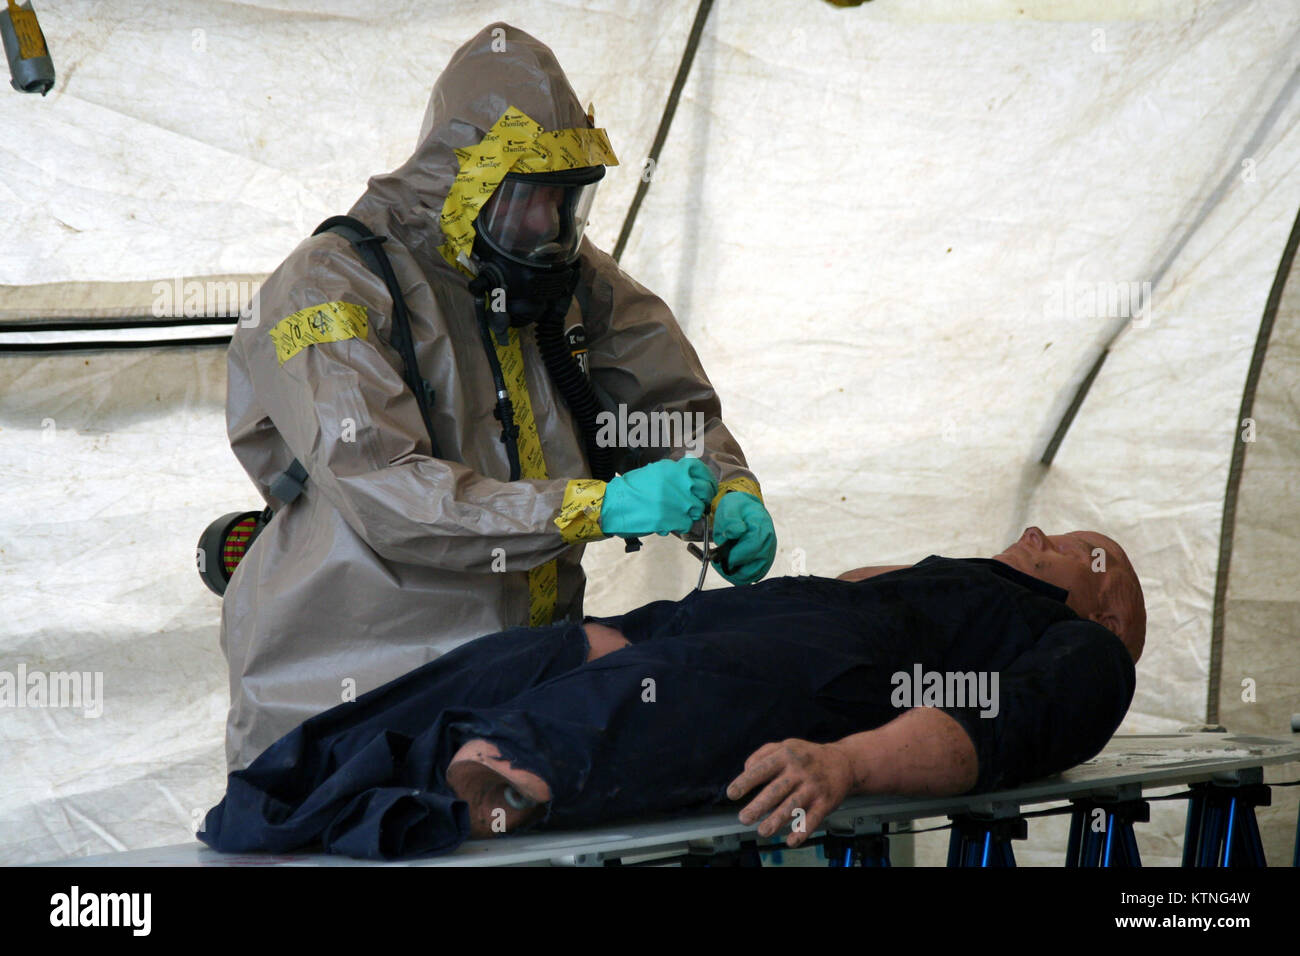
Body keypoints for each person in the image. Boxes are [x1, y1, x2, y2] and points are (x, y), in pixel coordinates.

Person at [218, 23, 777, 772]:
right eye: (529, 198)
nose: (550, 224)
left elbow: (664, 406)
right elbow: (389, 493)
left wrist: (724, 485)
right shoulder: (329, 287)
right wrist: (594, 507)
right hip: (345, 712)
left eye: (566, 200)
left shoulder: (571, 279)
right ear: (463, 181)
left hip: (518, 689)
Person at [198, 526, 1144, 859]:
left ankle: (503, 775)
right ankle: (296, 788)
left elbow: (999, 727)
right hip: (731, 624)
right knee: (534, 656)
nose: (1036, 532)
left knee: (650, 698)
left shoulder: (1078, 653)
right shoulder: (967, 576)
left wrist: (847, 762)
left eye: (1075, 547)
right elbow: (859, 587)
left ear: (1108, 616)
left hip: (814, 678)